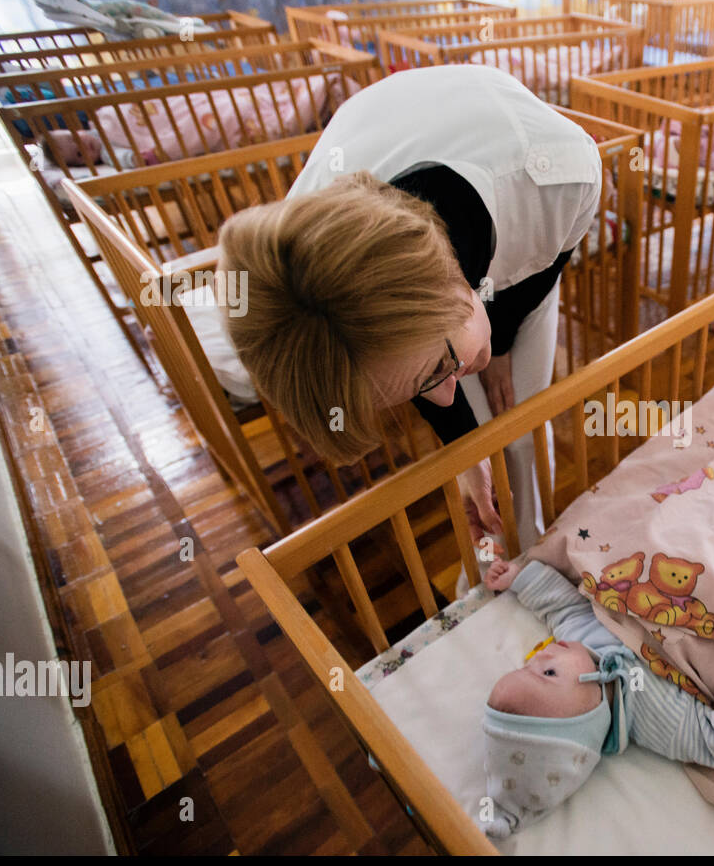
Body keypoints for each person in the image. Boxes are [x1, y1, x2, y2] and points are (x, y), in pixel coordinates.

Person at [217, 65, 602, 552]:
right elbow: (400, 362)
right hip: (434, 289)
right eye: (418, 385)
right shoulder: (306, 279)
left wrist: (500, 343)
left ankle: (534, 539)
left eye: (437, 367)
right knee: (473, 427)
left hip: (524, 196)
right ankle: (502, 555)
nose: (445, 394)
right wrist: (462, 449)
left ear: (449, 284)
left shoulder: (562, 178)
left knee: (521, 419)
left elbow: (548, 265)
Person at [478, 557, 714, 838]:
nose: (543, 654)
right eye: (548, 674)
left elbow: (561, 606)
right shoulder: (652, 718)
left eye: (529, 665)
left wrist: (521, 578)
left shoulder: (578, 640)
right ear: (585, 718)